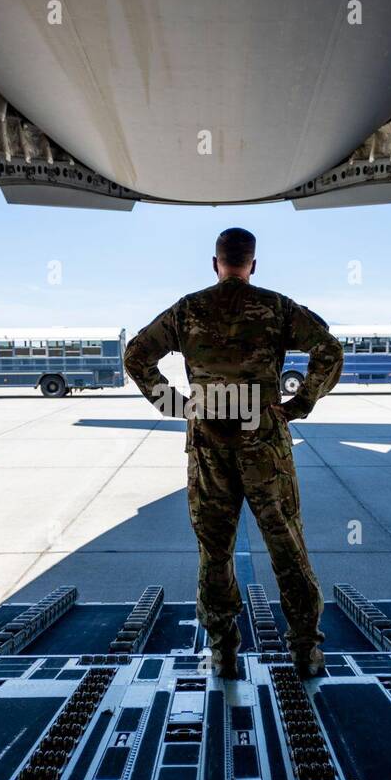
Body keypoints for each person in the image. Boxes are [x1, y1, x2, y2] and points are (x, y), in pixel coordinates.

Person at [124, 227, 342, 679]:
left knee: (215, 549)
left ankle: (223, 652)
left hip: (208, 440)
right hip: (262, 437)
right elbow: (328, 349)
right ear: (253, 265)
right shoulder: (276, 307)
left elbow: (137, 356)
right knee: (286, 543)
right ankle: (306, 650)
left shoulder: (189, 309)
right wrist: (299, 404)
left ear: (215, 263)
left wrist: (175, 406)